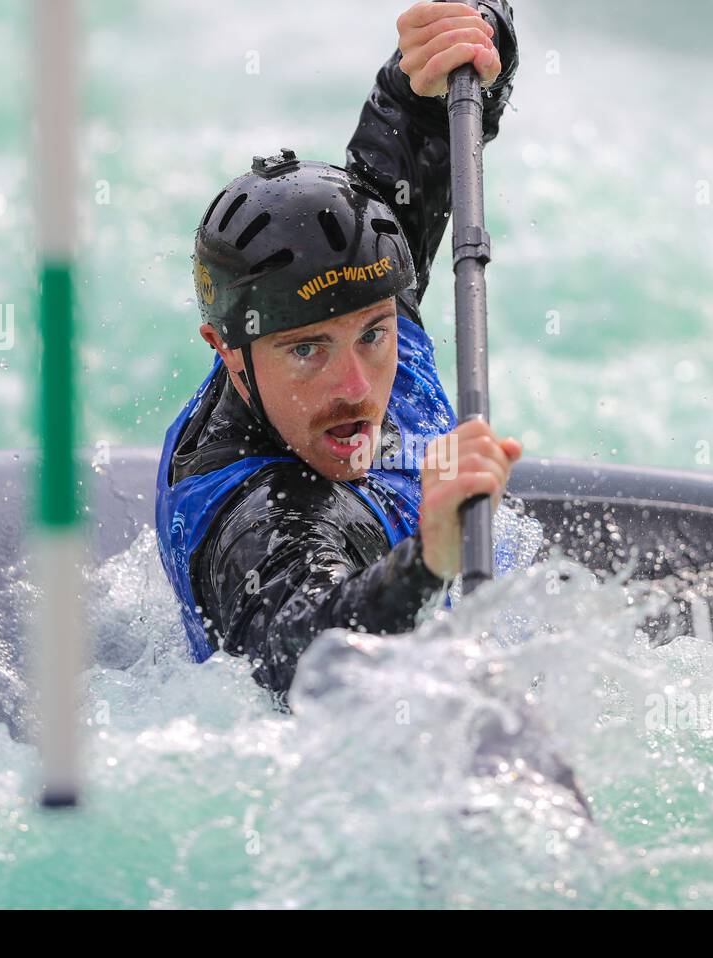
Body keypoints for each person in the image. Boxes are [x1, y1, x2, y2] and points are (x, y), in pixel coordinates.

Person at [156, 1, 522, 696]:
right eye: (306, 352)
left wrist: (468, 36)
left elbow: (418, 119)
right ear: (226, 349)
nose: (356, 387)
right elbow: (306, 651)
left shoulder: (371, 280)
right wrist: (429, 561)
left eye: (374, 336)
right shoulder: (256, 513)